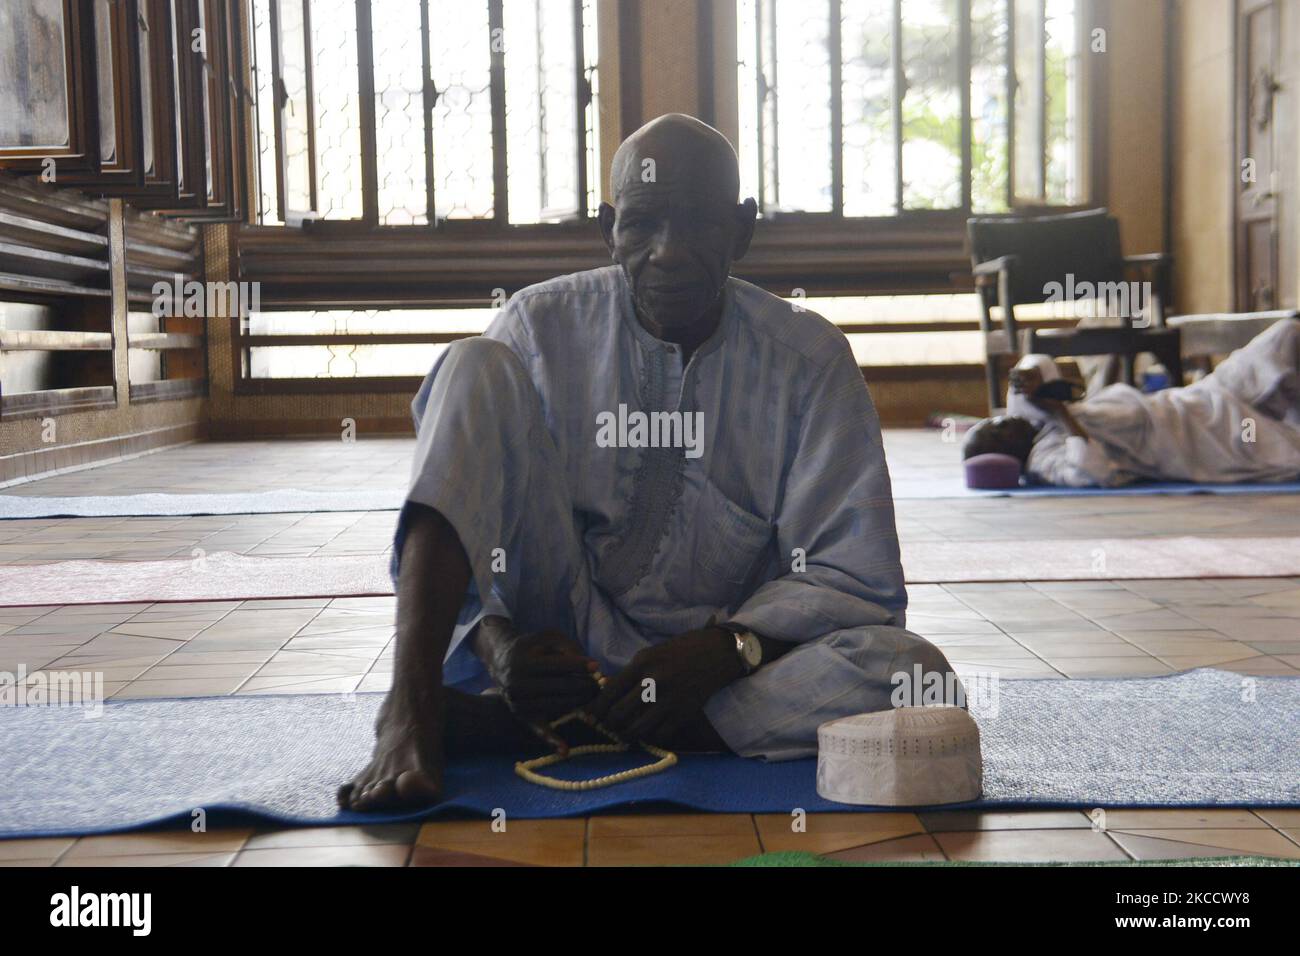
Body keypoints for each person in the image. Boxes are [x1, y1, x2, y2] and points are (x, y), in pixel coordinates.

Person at [338, 114, 958, 813]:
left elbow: (855, 577)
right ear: (610, 227)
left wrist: (728, 651)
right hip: (561, 638)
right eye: (643, 224)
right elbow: (472, 526)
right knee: (470, 364)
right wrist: (502, 647)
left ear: (742, 230)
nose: (668, 252)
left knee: (914, 671)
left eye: (698, 224)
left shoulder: (807, 360)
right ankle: (411, 707)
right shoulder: (538, 327)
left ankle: (530, 729)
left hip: (725, 668)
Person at [962, 317, 1300, 487]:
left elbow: (1038, 364)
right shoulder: (1043, 460)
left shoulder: (1028, 413)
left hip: (1201, 397)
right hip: (1204, 441)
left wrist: (1030, 373)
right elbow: (1090, 469)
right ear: (1004, 457)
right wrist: (1062, 413)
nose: (1003, 421)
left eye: (995, 421)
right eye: (997, 432)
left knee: (1287, 334)